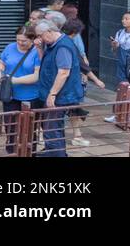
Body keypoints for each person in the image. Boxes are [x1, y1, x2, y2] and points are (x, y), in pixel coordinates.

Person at [35, 18, 83, 157]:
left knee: (52, 127)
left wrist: (53, 94)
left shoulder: (62, 47)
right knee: (51, 126)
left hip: (60, 95)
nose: (40, 39)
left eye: (41, 35)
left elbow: (63, 72)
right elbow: (46, 63)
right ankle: (53, 152)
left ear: (49, 31)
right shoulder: (53, 45)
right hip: (54, 93)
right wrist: (39, 48)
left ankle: (56, 154)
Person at [0, 24, 42, 154]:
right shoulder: (10, 47)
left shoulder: (37, 52)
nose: (20, 43)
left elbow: (36, 76)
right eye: (18, 40)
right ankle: (11, 151)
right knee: (10, 126)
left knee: (29, 128)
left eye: (24, 41)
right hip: (10, 94)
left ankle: (29, 152)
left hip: (31, 96)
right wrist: (0, 70)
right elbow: (1, 61)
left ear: (32, 39)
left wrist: (14, 80)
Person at [61, 18, 105, 147]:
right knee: (70, 109)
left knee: (72, 109)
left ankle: (76, 136)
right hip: (67, 84)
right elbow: (82, 64)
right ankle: (75, 136)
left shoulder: (61, 41)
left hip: (65, 83)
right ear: (75, 32)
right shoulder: (68, 43)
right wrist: (96, 80)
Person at [109, 10, 130, 87]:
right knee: (123, 88)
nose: (123, 21)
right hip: (121, 67)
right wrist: (114, 45)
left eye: (126, 19)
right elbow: (114, 51)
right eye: (123, 19)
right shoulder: (120, 32)